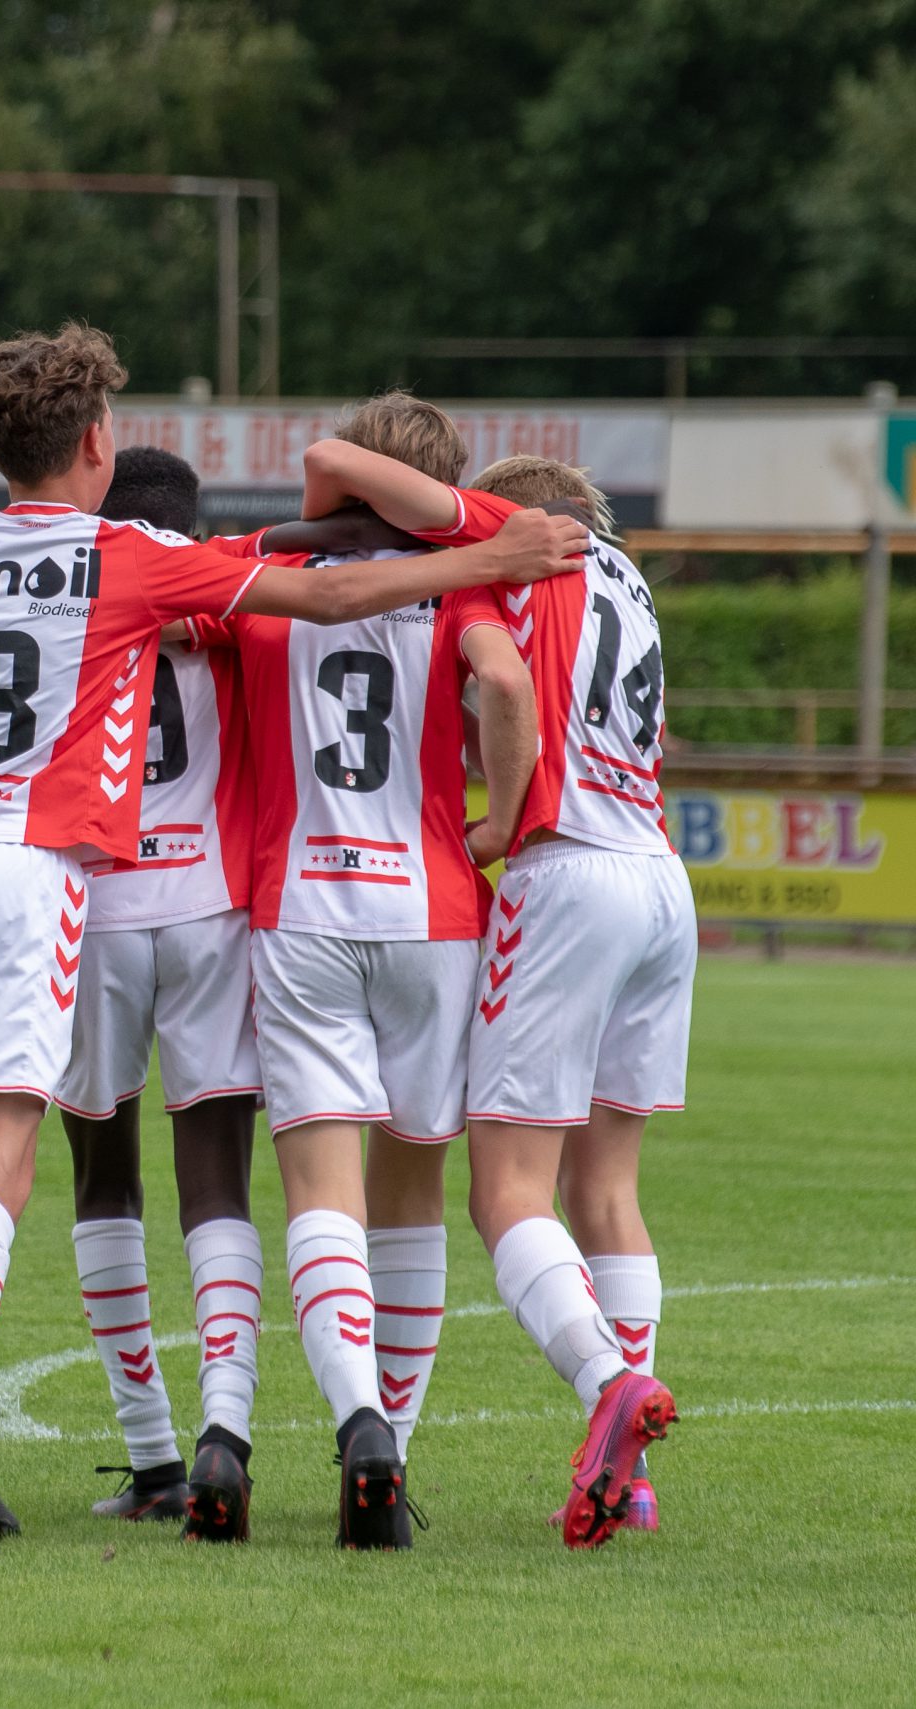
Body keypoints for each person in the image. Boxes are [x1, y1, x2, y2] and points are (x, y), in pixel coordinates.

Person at [0, 325, 584, 1555]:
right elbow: (332, 586)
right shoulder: (140, 560)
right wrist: (487, 550)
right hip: (82, 878)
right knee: (21, 1162)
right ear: (94, 439)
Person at [306, 444, 686, 1549]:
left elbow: (343, 464)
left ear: (520, 519)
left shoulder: (518, 544)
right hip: (660, 882)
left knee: (506, 1192)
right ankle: (634, 1470)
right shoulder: (630, 578)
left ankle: (608, 1385)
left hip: (565, 870)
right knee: (606, 1187)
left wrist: (487, 830)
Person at [180, 391, 540, 1549]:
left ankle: (357, 1420)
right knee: (411, 1194)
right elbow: (510, 689)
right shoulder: (462, 585)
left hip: (302, 907)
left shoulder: (265, 578)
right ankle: (395, 1448)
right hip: (433, 907)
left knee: (320, 1193)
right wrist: (498, 820)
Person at [64, 455, 429, 1541]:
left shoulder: (78, 581)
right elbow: (296, 563)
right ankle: (229, 1421)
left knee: (100, 1163)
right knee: (213, 1161)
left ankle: (153, 1452)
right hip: (216, 904)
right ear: (194, 521)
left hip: (97, 899)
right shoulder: (227, 577)